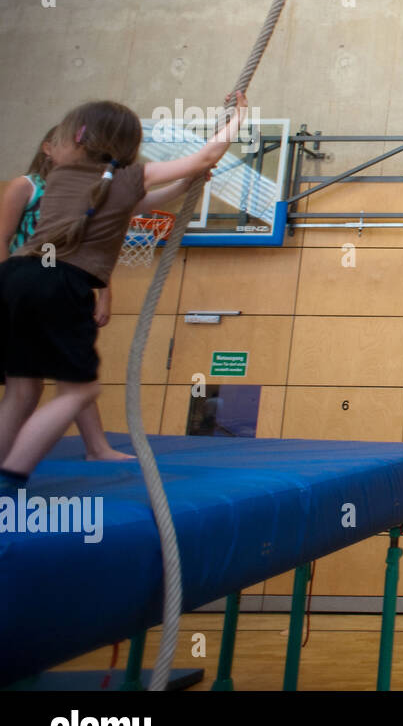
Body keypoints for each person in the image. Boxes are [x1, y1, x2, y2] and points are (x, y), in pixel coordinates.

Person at [0, 94, 247, 488]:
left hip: (14, 279)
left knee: (21, 389)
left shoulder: (62, 178)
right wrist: (238, 119)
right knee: (80, 391)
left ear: (75, 141)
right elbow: (204, 158)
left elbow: (128, 207)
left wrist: (184, 185)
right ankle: (12, 473)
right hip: (60, 285)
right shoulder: (133, 177)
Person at [0, 127, 203, 461]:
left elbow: (94, 245)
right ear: (49, 148)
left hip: (63, 284)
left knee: (73, 373)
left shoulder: (94, 190)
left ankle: (93, 447)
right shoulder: (29, 186)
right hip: (27, 285)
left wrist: (105, 294)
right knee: (33, 384)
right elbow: (5, 235)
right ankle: (15, 464)